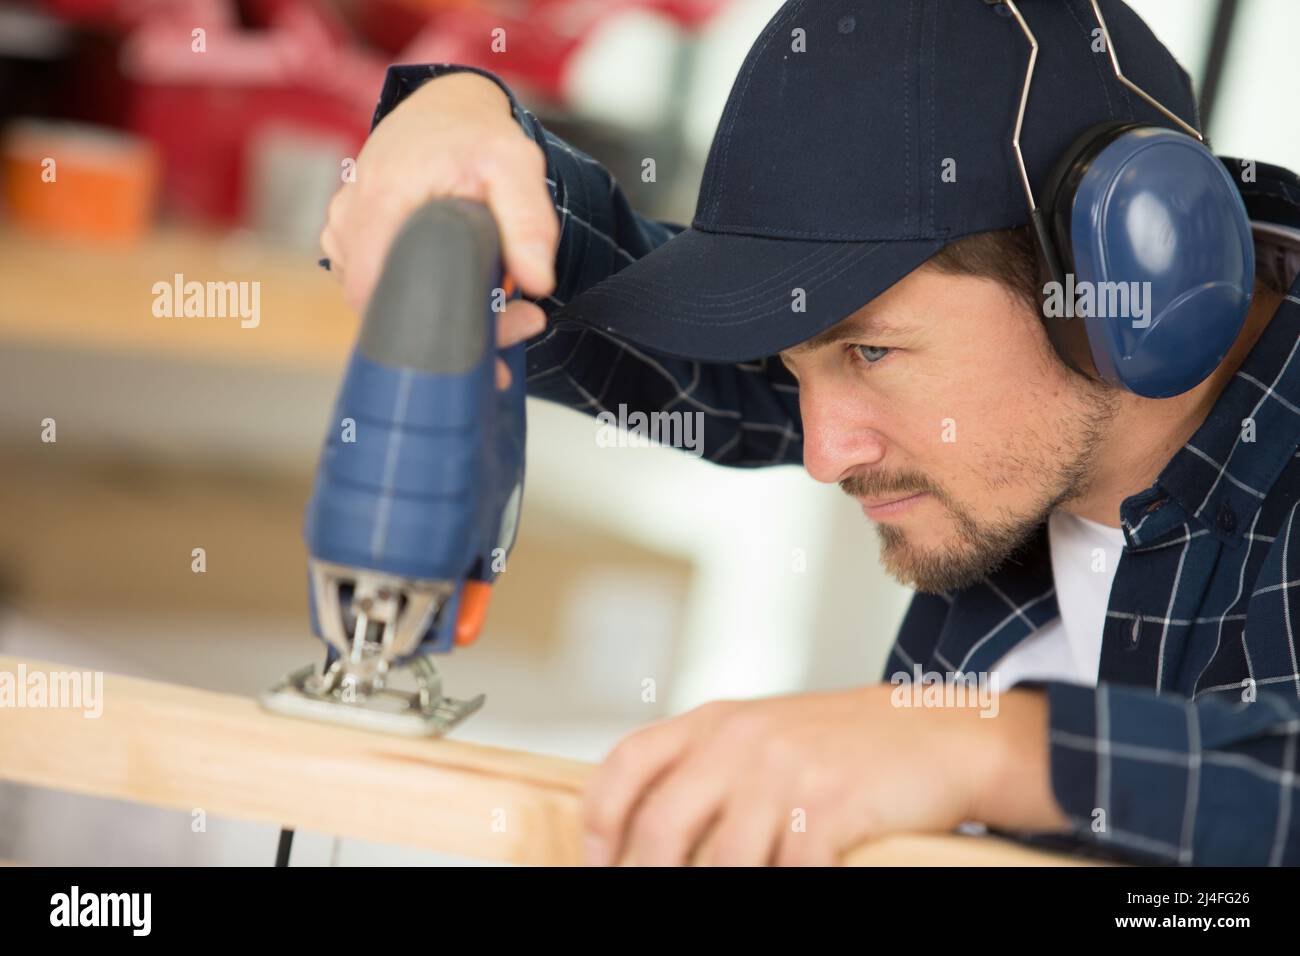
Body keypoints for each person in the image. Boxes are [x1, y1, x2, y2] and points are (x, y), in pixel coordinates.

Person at [320, 0, 1300, 866]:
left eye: (868, 353)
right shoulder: (1007, 426)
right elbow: (593, 284)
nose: (825, 450)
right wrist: (455, 132)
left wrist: (972, 747)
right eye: (796, 369)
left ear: (1124, 278)